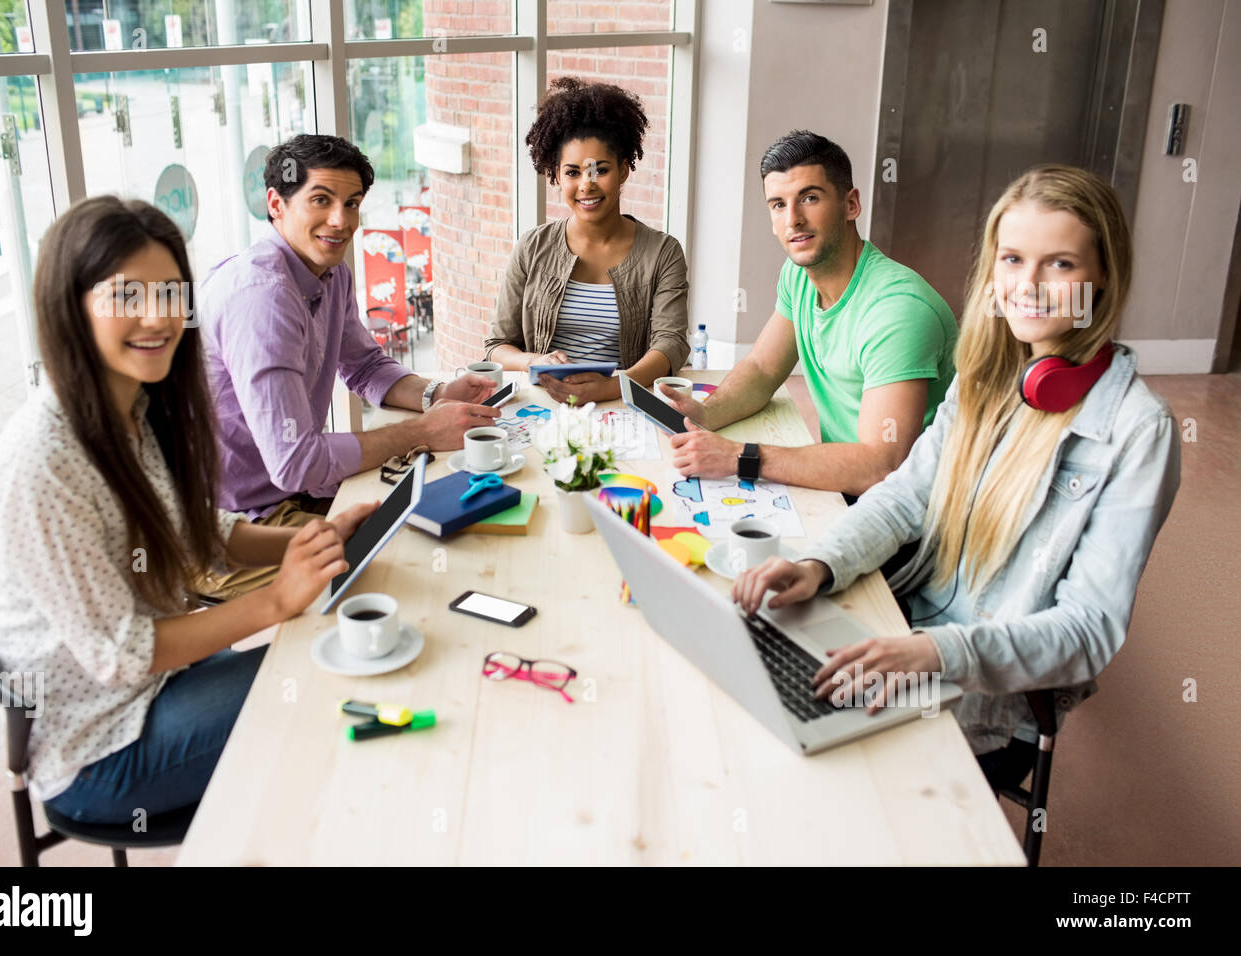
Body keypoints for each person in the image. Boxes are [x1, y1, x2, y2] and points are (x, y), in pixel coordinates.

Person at [731, 165, 1181, 787]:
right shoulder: (986, 377)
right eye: (1013, 259)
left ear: (1102, 275)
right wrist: (819, 563)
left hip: (981, 693)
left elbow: (1088, 631)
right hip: (901, 619)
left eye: (1060, 265)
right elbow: (905, 497)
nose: (1029, 285)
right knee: (747, 686)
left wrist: (934, 653)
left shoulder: (1139, 431)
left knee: (806, 776)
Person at [0, 197, 376, 823]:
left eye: (169, 293)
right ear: (71, 308)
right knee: (334, 684)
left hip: (158, 686)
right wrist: (277, 600)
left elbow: (195, 530)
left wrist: (312, 542)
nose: (157, 316)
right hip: (100, 745)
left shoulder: (132, 409)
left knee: (329, 655)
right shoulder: (43, 463)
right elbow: (122, 653)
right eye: (126, 296)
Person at [199, 134, 499, 596]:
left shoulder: (329, 270)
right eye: (321, 200)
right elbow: (296, 462)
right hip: (235, 529)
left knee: (454, 519)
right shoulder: (262, 297)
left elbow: (363, 366)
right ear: (275, 204)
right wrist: (422, 431)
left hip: (296, 498)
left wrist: (435, 395)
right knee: (410, 572)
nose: (340, 222)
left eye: (352, 203)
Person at [663, 130, 958, 498]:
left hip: (910, 516)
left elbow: (882, 465)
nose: (793, 220)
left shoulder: (898, 310)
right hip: (844, 490)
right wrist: (704, 415)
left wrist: (739, 456)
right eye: (778, 204)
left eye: (810, 198)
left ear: (851, 205)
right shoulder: (798, 276)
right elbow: (762, 369)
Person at [484, 77, 690, 406]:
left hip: (624, 402)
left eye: (600, 169)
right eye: (573, 172)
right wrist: (533, 360)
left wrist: (611, 389)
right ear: (556, 175)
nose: (587, 185)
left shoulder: (663, 253)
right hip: (544, 403)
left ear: (624, 170)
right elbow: (497, 345)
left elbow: (670, 345)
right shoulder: (532, 248)